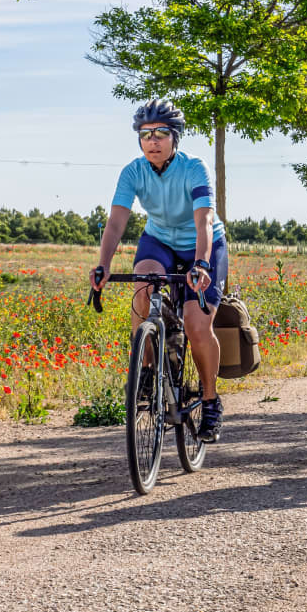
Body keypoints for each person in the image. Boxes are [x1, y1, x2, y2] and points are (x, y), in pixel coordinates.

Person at [90, 99, 229, 442]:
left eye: (161, 134)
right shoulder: (133, 171)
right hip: (159, 241)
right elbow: (116, 223)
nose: (152, 141)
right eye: (145, 134)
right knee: (142, 289)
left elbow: (204, 220)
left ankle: (210, 400)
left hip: (202, 244)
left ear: (175, 138)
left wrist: (200, 263)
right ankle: (148, 371)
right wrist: (103, 265)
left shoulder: (194, 167)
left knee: (197, 326)